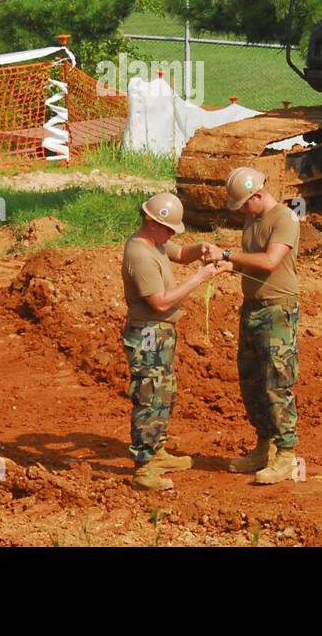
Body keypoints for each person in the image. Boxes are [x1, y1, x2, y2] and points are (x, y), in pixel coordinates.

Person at [121, 191, 230, 491]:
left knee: (165, 394)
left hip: (160, 333)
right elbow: (159, 302)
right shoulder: (140, 254)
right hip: (148, 333)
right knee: (150, 396)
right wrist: (199, 279)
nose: (171, 234)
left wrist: (202, 248)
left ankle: (157, 452)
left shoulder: (155, 242)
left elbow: (180, 253)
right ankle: (144, 468)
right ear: (153, 222)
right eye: (169, 228)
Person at [206, 166, 301, 485]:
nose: (242, 210)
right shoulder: (253, 219)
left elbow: (270, 261)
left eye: (245, 203)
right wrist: (228, 265)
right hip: (253, 308)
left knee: (276, 381)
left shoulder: (284, 219)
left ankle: (286, 454)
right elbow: (253, 261)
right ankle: (264, 446)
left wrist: (229, 254)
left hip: (277, 310)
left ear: (257, 195)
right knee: (251, 379)